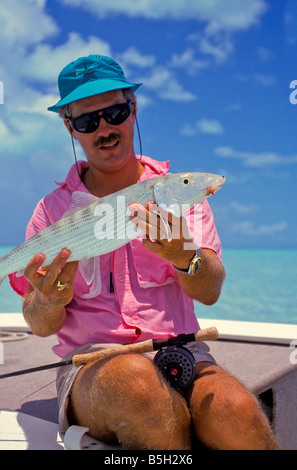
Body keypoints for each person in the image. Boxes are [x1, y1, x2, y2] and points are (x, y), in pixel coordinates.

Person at [9, 55, 279, 450]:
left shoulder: (179, 194)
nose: (104, 128)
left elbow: (210, 290)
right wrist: (49, 300)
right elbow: (40, 323)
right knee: (137, 385)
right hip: (91, 367)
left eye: (115, 112)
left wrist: (184, 255)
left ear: (133, 109)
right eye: (87, 121)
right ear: (70, 127)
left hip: (183, 350)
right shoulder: (50, 212)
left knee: (235, 409)